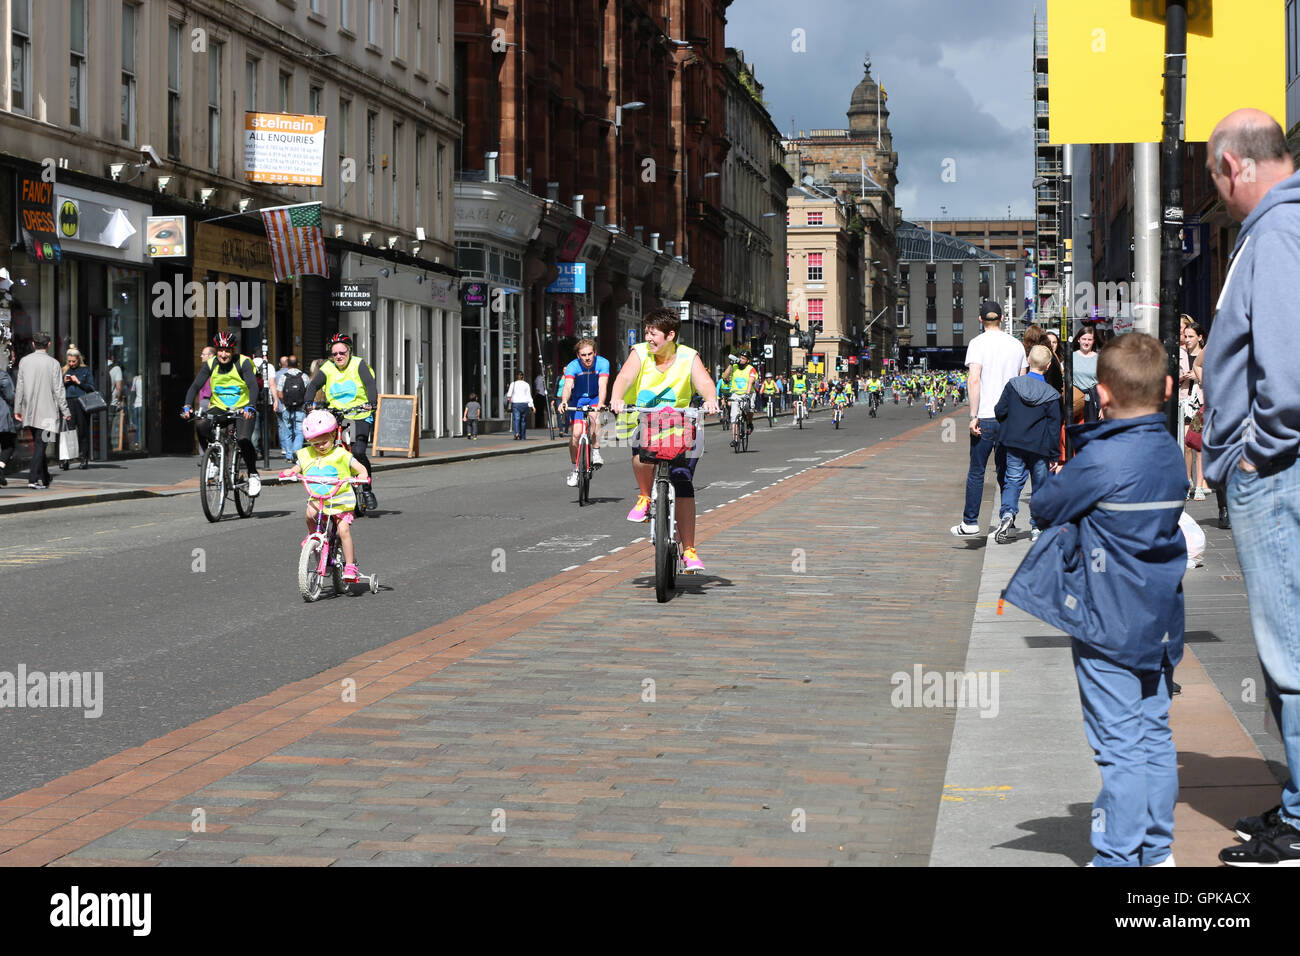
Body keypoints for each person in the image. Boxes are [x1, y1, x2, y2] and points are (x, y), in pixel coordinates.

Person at [1002, 332, 1187, 867]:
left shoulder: (1102, 459)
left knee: (1119, 746)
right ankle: (1156, 852)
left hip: (1107, 620)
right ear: (1169, 388)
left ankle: (1117, 857)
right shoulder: (1170, 455)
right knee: (1153, 734)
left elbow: (1048, 506)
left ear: (1101, 395)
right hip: (1161, 618)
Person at [1201, 108, 1300, 865]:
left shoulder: (1275, 232)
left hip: (1275, 472)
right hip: (1272, 468)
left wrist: (1254, 455)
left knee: (1288, 650)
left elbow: (1288, 373)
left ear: (1234, 166)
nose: (1218, 191)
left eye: (1213, 177)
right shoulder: (1275, 229)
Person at [609, 307, 721, 572]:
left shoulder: (688, 356)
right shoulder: (640, 353)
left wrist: (711, 399)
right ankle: (646, 497)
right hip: (648, 421)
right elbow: (624, 377)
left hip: (681, 424)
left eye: (654, 333)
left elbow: (704, 382)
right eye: (647, 332)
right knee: (640, 459)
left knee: (682, 482)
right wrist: (616, 397)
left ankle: (690, 550)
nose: (649, 338)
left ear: (670, 335)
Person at [952, 301, 1028, 538]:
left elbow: (974, 379)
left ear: (980, 319)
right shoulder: (1016, 345)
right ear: (1003, 318)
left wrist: (973, 415)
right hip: (1009, 418)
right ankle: (1008, 518)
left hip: (985, 416)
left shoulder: (977, 343)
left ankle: (970, 522)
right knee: (1007, 471)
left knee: (977, 470)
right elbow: (1021, 382)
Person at [281, 408, 370, 583]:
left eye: (324, 442)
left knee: (343, 530)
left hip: (340, 499)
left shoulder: (341, 454)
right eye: (315, 444)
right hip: (319, 498)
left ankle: (350, 565)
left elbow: (360, 467)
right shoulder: (307, 455)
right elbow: (298, 467)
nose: (320, 446)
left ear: (333, 436)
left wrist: (361, 476)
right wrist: (291, 471)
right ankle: (313, 535)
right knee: (309, 514)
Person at [993, 345, 1063, 544]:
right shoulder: (1052, 395)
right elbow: (1054, 427)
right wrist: (1055, 455)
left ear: (1028, 361)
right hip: (1040, 447)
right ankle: (1037, 527)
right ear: (1048, 366)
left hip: (1014, 443)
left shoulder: (1013, 385)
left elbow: (999, 411)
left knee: (1012, 481)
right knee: (1040, 486)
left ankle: (1007, 515)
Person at [181, 331, 263, 497]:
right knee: (200, 424)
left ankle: (253, 474)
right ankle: (214, 461)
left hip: (243, 407)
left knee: (243, 439)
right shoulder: (211, 364)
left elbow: (253, 387)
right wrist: (187, 405)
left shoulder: (243, 362)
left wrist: (251, 406)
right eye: (220, 350)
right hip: (219, 407)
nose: (223, 354)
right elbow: (195, 386)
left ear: (233, 351)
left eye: (227, 350)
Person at [305, 333, 378, 511]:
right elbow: (313, 385)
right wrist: (308, 403)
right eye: (335, 353)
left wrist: (371, 403)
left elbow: (369, 384)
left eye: (342, 353)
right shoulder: (328, 367)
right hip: (336, 414)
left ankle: (366, 489)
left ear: (349, 351)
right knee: (332, 450)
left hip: (359, 413)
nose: (338, 356)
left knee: (359, 451)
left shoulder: (358, 364)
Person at [13, 331, 71, 489]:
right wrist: (65, 411)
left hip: (30, 413)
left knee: (41, 445)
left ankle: (45, 478)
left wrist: (17, 409)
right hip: (48, 415)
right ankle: (33, 479)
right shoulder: (53, 364)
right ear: (49, 345)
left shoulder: (24, 361)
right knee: (41, 445)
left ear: (33, 344)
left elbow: (20, 388)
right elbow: (59, 390)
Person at [558, 338, 610, 486]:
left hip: (595, 397)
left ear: (595, 353)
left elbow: (603, 385)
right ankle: (575, 470)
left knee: (594, 420)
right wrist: (564, 401)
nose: (587, 358)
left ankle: (596, 452)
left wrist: (600, 403)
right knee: (575, 435)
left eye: (589, 354)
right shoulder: (572, 366)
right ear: (578, 356)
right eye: (583, 355)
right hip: (578, 399)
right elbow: (567, 387)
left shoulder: (603, 363)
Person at [1178, 322, 1206, 500]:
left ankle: (1200, 485)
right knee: (1187, 444)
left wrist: (1198, 376)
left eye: (1191, 336)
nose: (1187, 340)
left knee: (1199, 444)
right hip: (1183, 400)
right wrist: (1182, 377)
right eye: (1185, 336)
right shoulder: (1179, 353)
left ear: (1200, 337)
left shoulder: (1205, 355)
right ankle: (1188, 481)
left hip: (1199, 402)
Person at [60, 345, 95, 470]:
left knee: (83, 431)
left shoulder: (85, 370)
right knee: (68, 432)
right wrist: (64, 382)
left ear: (78, 359)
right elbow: (57, 388)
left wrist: (78, 382)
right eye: (69, 361)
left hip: (81, 402)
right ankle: (66, 459)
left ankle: (84, 458)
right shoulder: (64, 370)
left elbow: (91, 387)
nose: (71, 363)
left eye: (73, 361)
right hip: (68, 403)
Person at [721, 349, 758, 447]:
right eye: (740, 357)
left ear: (747, 360)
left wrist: (747, 394)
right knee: (734, 417)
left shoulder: (751, 369)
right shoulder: (734, 367)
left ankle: (749, 423)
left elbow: (750, 382)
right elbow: (725, 377)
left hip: (748, 393)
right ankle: (735, 439)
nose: (741, 360)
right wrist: (730, 364)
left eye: (743, 358)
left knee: (750, 409)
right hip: (736, 394)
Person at [276, 356, 309, 463]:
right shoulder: (304, 376)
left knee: (287, 432)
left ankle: (289, 455)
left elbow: (279, 393)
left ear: (287, 364)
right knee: (299, 432)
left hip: (287, 408)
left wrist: (285, 402)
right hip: (301, 409)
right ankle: (297, 453)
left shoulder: (283, 376)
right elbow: (308, 393)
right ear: (298, 364)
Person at [1072, 326, 1101, 423]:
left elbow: (1105, 384)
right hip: (1076, 402)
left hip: (1094, 402)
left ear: (1093, 341)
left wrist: (1103, 407)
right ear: (1078, 340)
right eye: (1084, 339)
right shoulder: (1071, 357)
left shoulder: (1099, 359)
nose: (1086, 342)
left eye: (1089, 339)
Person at [503, 370, 534, 441]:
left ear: (517, 376)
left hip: (516, 403)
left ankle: (517, 433)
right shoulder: (526, 384)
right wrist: (532, 405)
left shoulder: (513, 384)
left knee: (516, 419)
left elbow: (509, 395)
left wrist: (507, 405)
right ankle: (523, 436)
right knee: (523, 420)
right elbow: (529, 396)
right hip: (524, 403)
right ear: (523, 377)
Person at [0, 352, 15, 486]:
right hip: (1, 416)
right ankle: (0, 469)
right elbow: (10, 396)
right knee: (9, 444)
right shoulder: (2, 375)